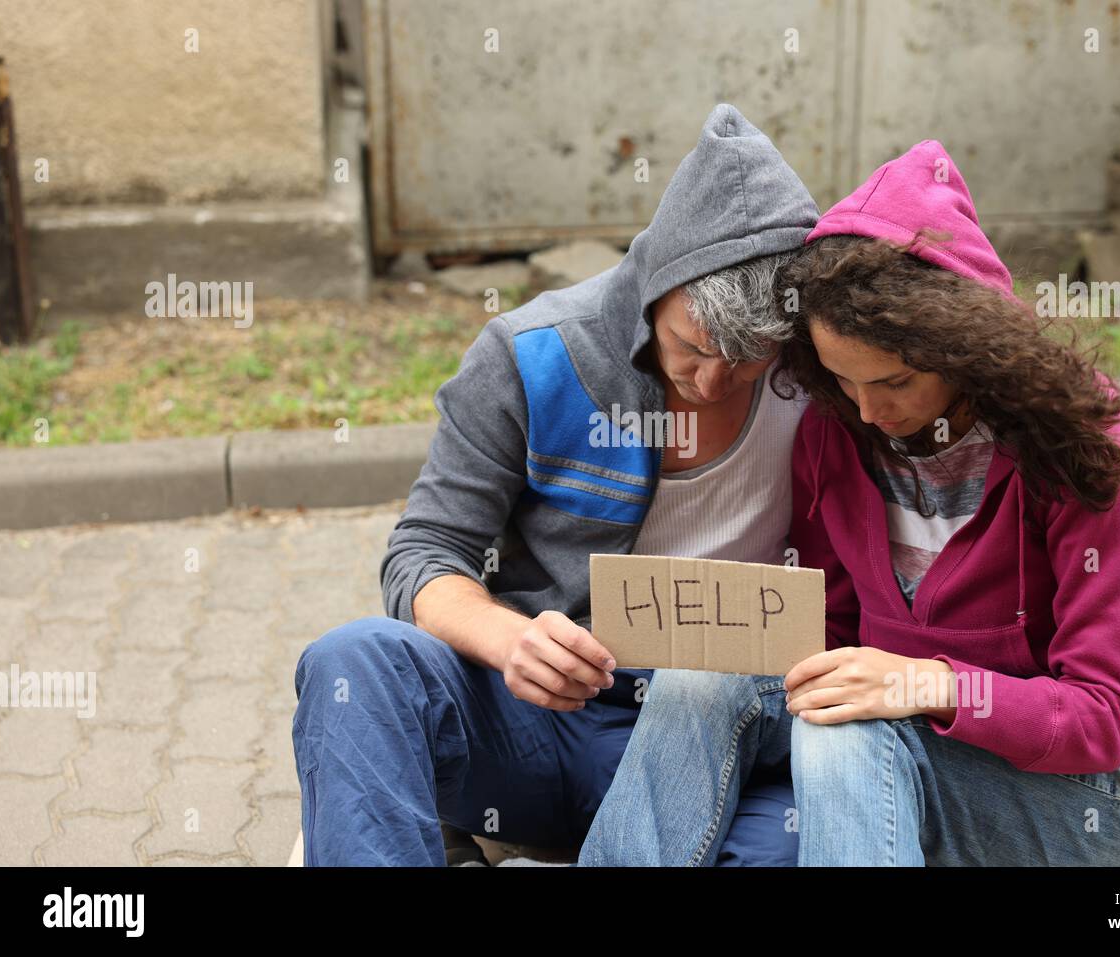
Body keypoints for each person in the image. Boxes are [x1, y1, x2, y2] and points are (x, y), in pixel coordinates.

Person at [578, 140, 1120, 867]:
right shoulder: (834, 431)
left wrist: (926, 682)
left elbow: (1108, 716)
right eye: (844, 380)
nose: (869, 411)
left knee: (842, 731)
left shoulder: (1084, 448)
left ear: (966, 346)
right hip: (914, 731)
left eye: (897, 381)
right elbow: (830, 627)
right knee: (706, 673)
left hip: (1109, 790)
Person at [291, 104, 817, 866]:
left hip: (705, 737)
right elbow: (424, 552)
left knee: (797, 841)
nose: (711, 380)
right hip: (532, 710)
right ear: (655, 278)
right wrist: (511, 640)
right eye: (691, 347)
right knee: (355, 662)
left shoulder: (823, 381)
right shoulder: (532, 355)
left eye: (745, 361)